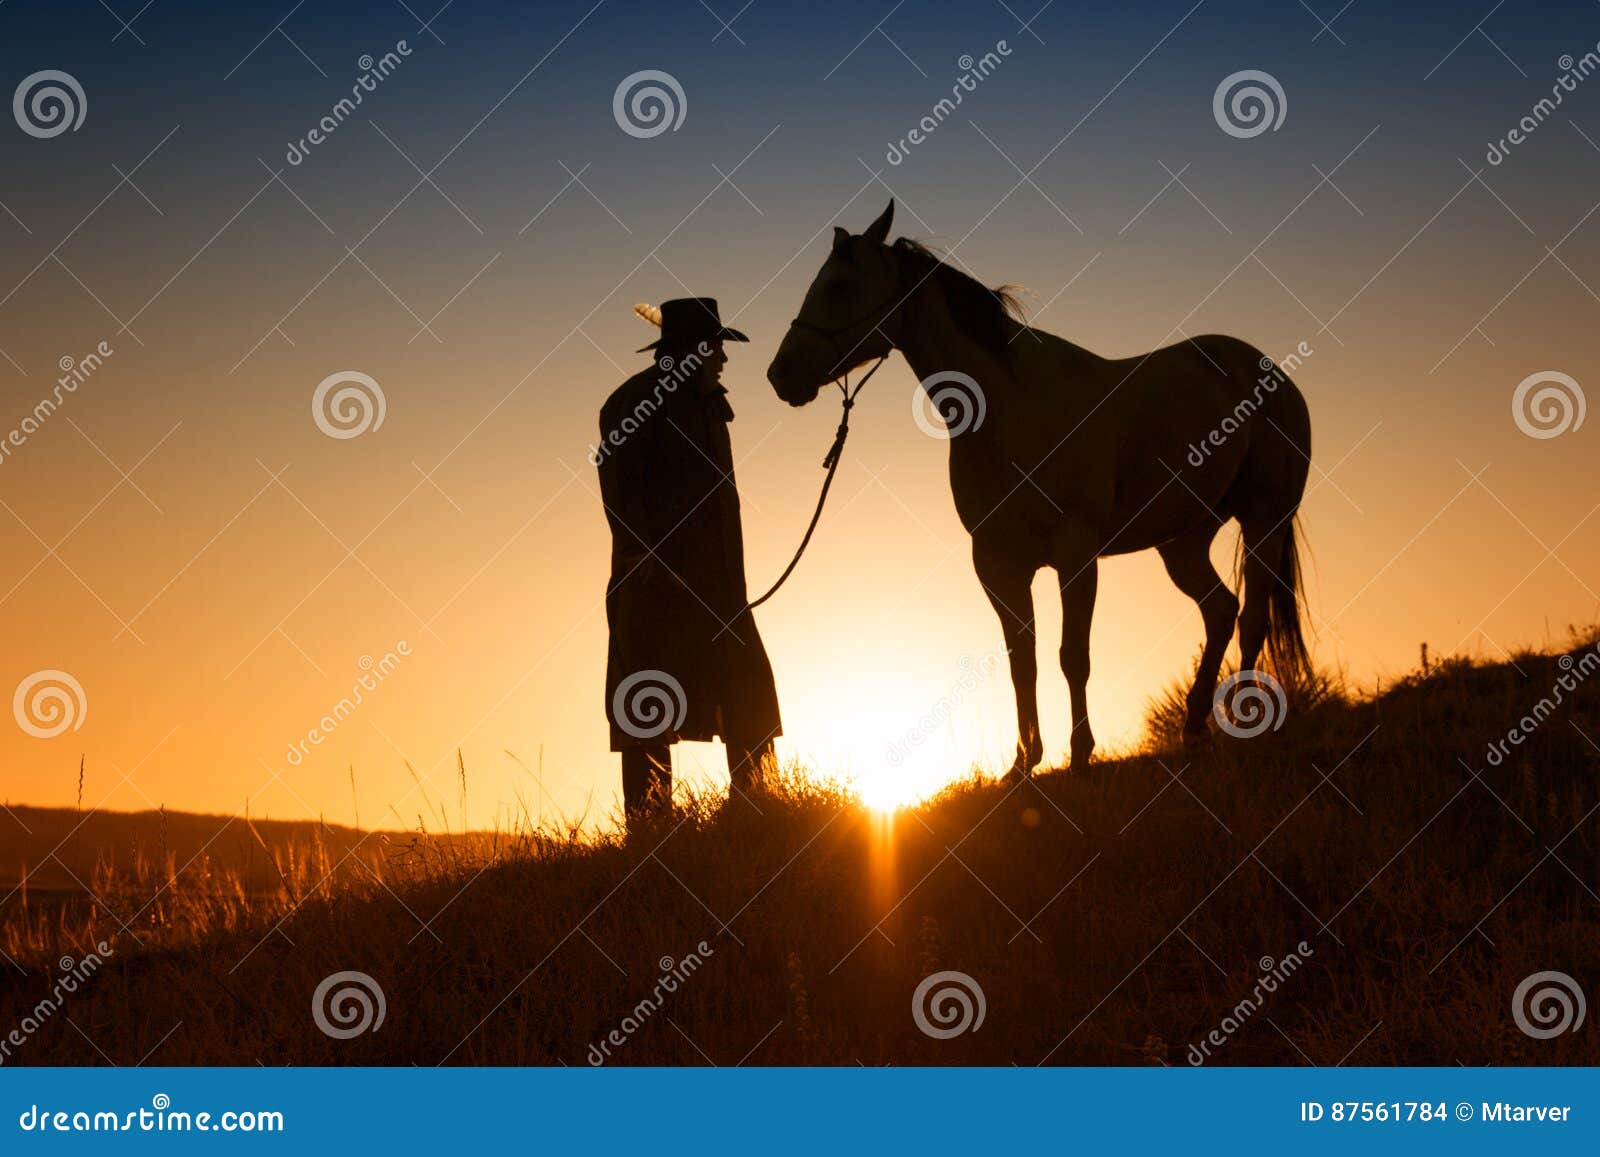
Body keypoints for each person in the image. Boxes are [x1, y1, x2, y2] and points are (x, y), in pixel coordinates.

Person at [596, 297, 781, 824]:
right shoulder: (633, 404)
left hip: (719, 591)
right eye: (716, 345)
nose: (723, 356)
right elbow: (620, 491)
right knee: (649, 704)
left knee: (747, 694)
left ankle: (756, 810)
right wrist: (645, 555)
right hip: (654, 588)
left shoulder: (707, 402)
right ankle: (651, 828)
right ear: (692, 349)